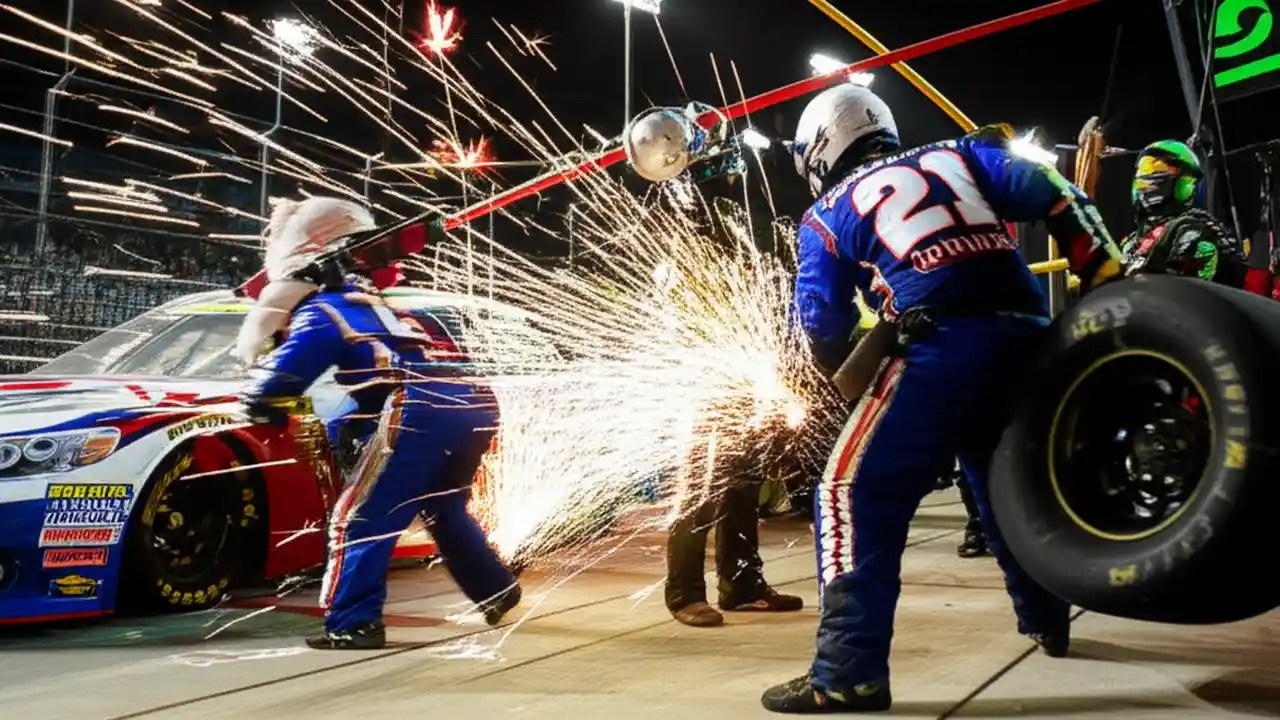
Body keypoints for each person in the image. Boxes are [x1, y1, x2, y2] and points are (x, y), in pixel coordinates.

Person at [763, 85, 1123, 713]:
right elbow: (1057, 192)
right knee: (999, 486)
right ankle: (1046, 619)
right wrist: (1106, 281)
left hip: (936, 344)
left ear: (823, 147)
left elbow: (818, 323)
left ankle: (847, 673)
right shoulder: (963, 154)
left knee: (848, 491)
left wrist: (863, 352)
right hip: (1027, 339)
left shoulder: (825, 212)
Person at [238, 197, 521, 650]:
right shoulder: (390, 308)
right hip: (472, 401)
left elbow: (284, 375)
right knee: (443, 507)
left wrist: (259, 400)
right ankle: (496, 587)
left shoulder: (324, 309)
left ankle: (353, 623)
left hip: (418, 408)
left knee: (361, 519)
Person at [665, 426, 804, 627]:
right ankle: (684, 595)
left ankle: (742, 586)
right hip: (704, 409)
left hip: (749, 408)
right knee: (700, 491)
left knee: (745, 485)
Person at [1121, 140, 1247, 286]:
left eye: (1157, 169)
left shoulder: (1192, 230)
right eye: (1144, 170)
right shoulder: (1132, 241)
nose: (1145, 179)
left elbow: (1183, 291)